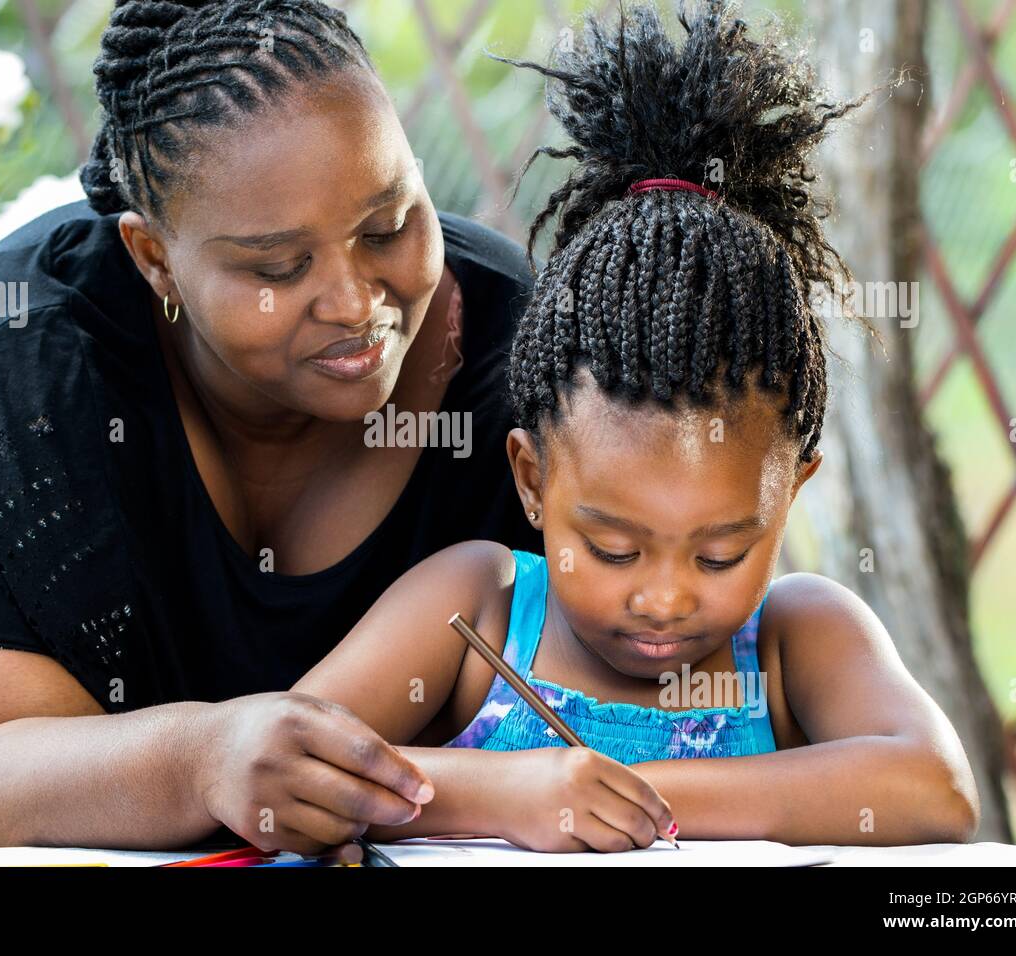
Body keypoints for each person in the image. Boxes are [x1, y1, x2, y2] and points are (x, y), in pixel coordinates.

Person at [0, 0, 543, 857]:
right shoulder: (8, 378)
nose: (356, 302)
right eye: (277, 266)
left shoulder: (501, 352)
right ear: (153, 257)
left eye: (387, 226)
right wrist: (198, 762)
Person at [291, 0, 980, 851]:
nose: (663, 598)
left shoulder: (794, 643)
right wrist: (510, 795)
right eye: (614, 550)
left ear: (793, 491)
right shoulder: (483, 609)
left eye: (721, 555)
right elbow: (295, 763)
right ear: (532, 479)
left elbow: (935, 787)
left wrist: (630, 796)